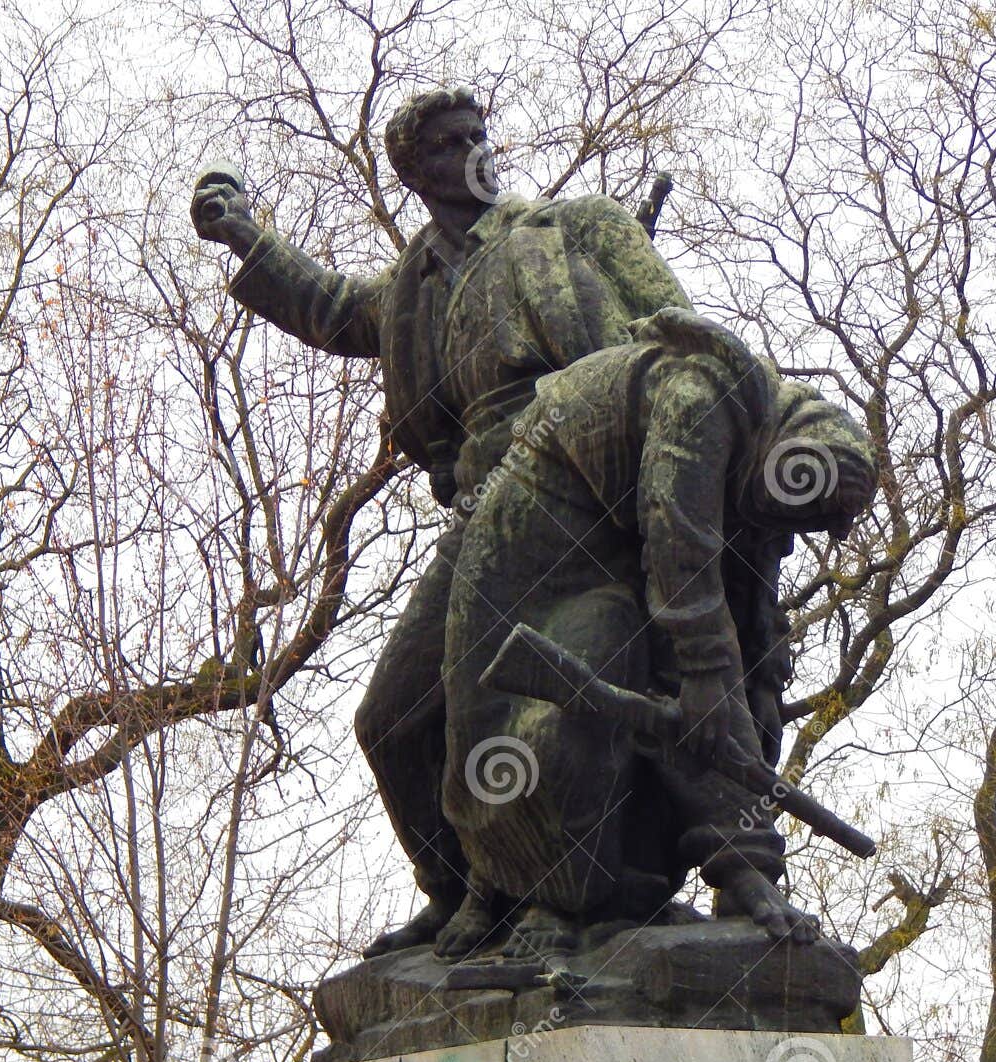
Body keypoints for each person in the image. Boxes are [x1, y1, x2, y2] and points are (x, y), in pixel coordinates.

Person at [192, 88, 692, 955]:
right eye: (452, 142)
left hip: (586, 494)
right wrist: (245, 235)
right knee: (393, 719)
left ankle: (556, 899)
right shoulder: (414, 286)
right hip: (481, 514)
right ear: (415, 170)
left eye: (480, 135)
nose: (474, 150)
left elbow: (681, 341)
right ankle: (456, 885)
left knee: (553, 710)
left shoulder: (569, 229)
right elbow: (334, 308)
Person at [436, 308, 877, 959]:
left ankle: (616, 893)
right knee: (506, 726)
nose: (776, 529)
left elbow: (743, 660)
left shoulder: (764, 491)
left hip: (624, 560)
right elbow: (678, 554)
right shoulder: (702, 400)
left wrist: (748, 875)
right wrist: (704, 682)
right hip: (537, 539)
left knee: (692, 691)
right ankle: (500, 892)